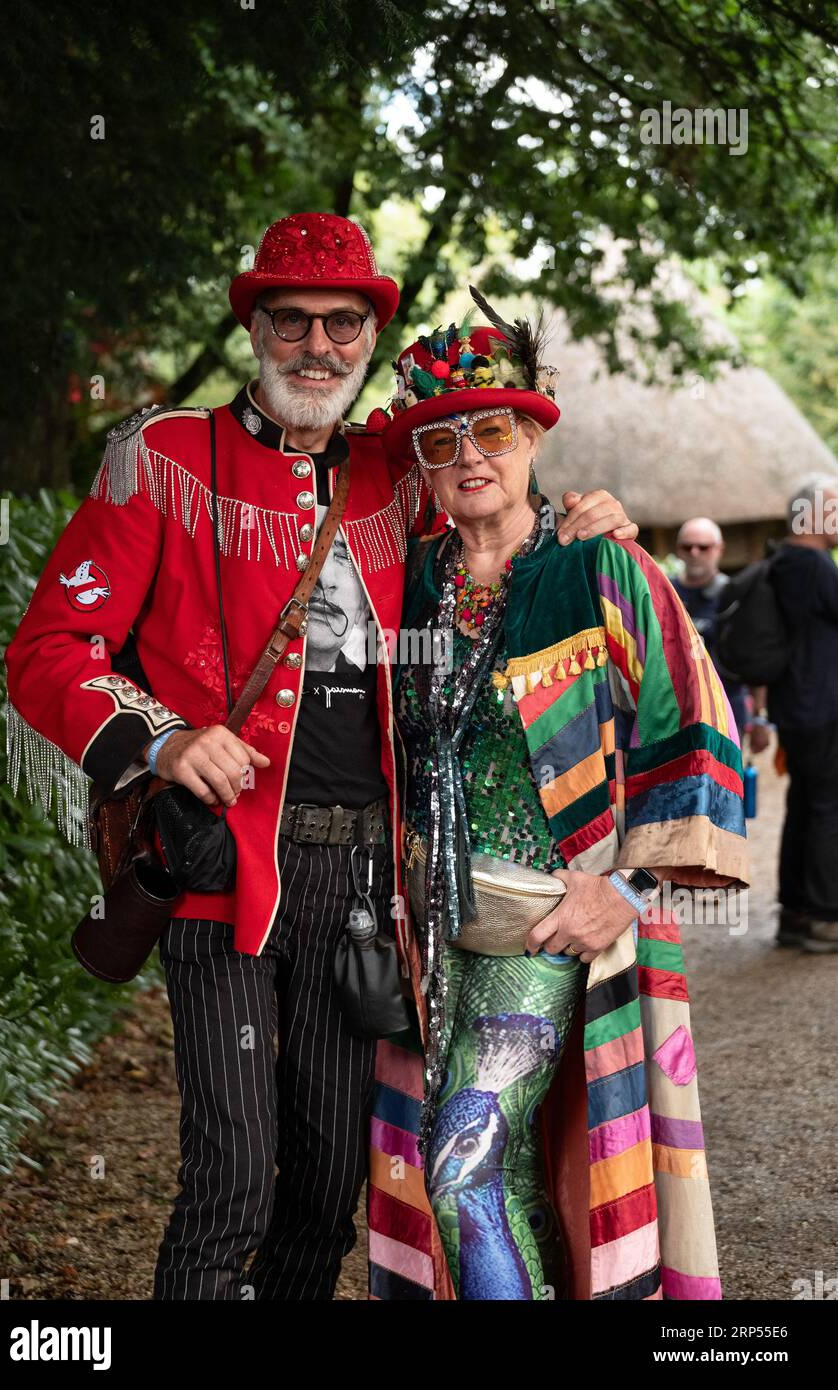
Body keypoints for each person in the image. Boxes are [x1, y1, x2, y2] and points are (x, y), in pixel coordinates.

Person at [3, 212, 639, 1301]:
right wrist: (162, 736)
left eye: (342, 324)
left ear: (366, 333)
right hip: (222, 877)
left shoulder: (399, 463)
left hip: (365, 887)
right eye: (289, 320)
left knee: (328, 1185)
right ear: (253, 326)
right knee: (233, 1177)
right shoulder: (161, 458)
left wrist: (583, 524)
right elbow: (50, 649)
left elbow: (489, 491)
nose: (316, 346)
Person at [365, 299, 750, 1301]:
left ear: (533, 433)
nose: (468, 457)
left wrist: (620, 888)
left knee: (461, 1154)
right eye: (440, 441)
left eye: (491, 430)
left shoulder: (596, 569)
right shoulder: (400, 585)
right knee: (493, 1175)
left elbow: (697, 724)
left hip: (547, 927)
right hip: (426, 932)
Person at [748, 476, 838, 952]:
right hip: (822, 706)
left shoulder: (780, 561)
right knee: (827, 808)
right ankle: (826, 917)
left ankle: (796, 912)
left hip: (796, 707)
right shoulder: (815, 566)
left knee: (805, 806)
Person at [672, 516, 748, 742]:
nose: (694, 553)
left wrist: (759, 718)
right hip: (677, 712)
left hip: (727, 709)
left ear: (719, 549)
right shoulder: (665, 593)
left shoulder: (734, 596)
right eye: (688, 546)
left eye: (703, 547)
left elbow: (756, 654)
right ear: (679, 550)